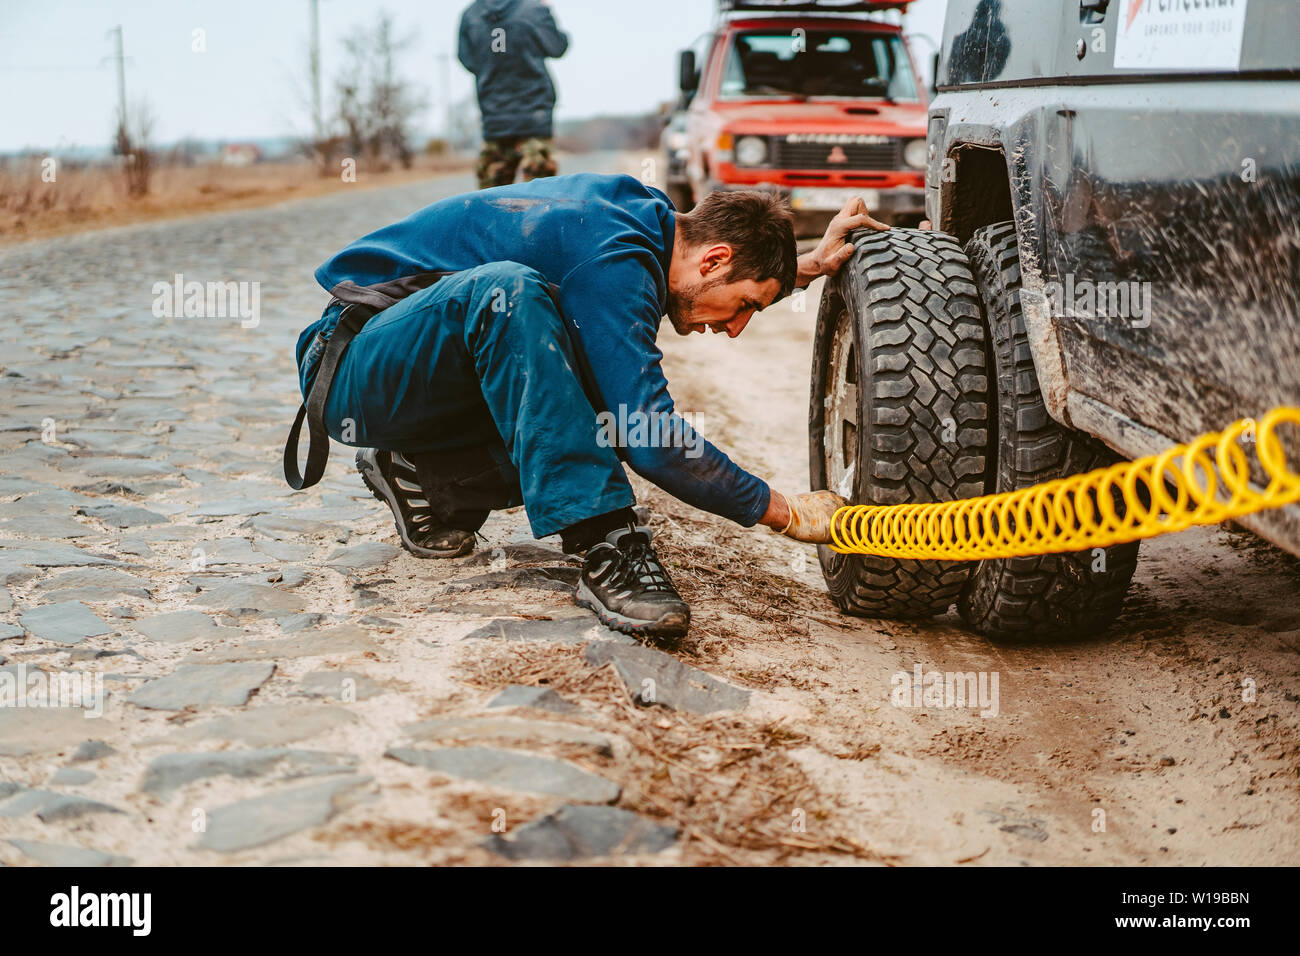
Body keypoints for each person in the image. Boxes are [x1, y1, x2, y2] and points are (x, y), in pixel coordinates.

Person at [290, 174, 886, 641]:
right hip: (348, 361)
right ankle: (607, 543)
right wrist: (782, 511)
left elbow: (692, 283)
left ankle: (425, 479)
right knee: (511, 294)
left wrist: (799, 267)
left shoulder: (654, 228)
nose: (735, 328)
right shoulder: (614, 256)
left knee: (576, 390)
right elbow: (646, 433)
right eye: (746, 305)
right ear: (714, 260)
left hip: (413, 375)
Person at [458, 0, 568, 189]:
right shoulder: (534, 9)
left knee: (490, 203)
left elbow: (467, 60)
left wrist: (495, 65)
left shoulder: (470, 15)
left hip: (494, 118)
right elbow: (557, 47)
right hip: (534, 117)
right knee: (540, 200)